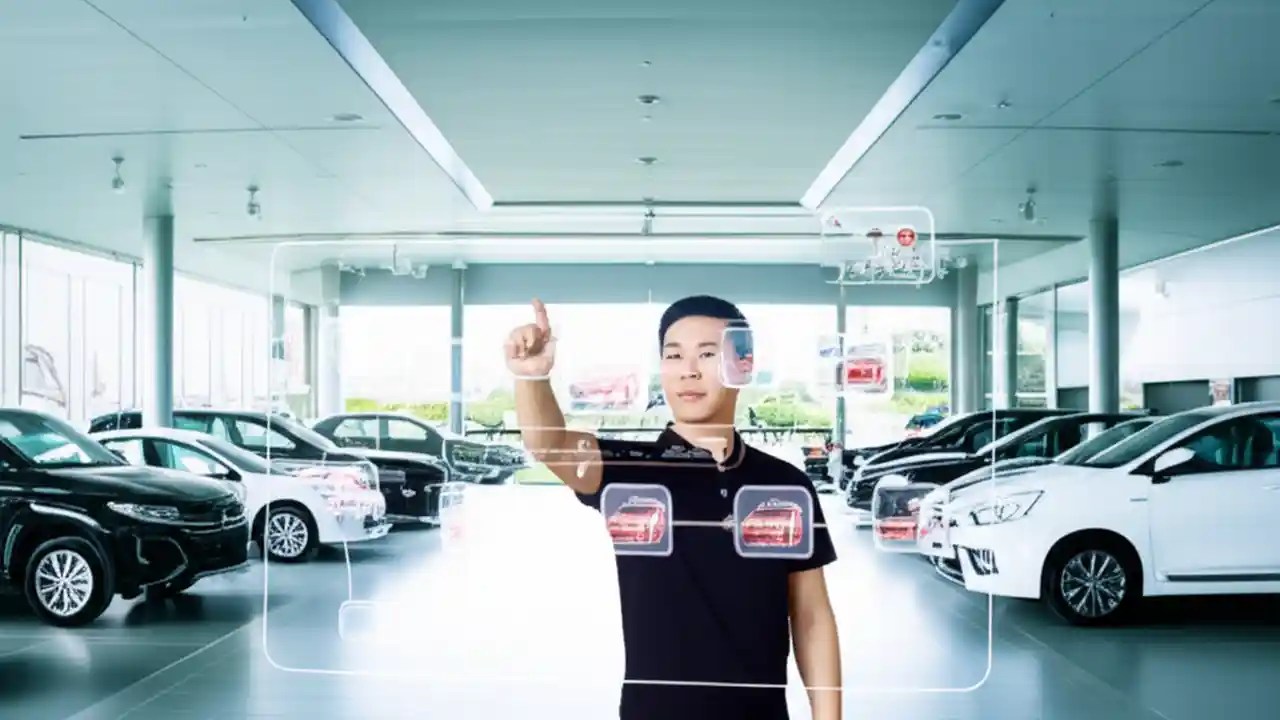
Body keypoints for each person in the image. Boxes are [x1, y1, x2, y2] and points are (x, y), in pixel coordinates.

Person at [506, 295, 842, 720]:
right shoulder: (629, 472)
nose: (689, 369)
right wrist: (532, 378)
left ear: (743, 363)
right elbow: (549, 444)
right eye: (674, 354)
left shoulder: (786, 484)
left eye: (707, 353)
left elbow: (811, 616)